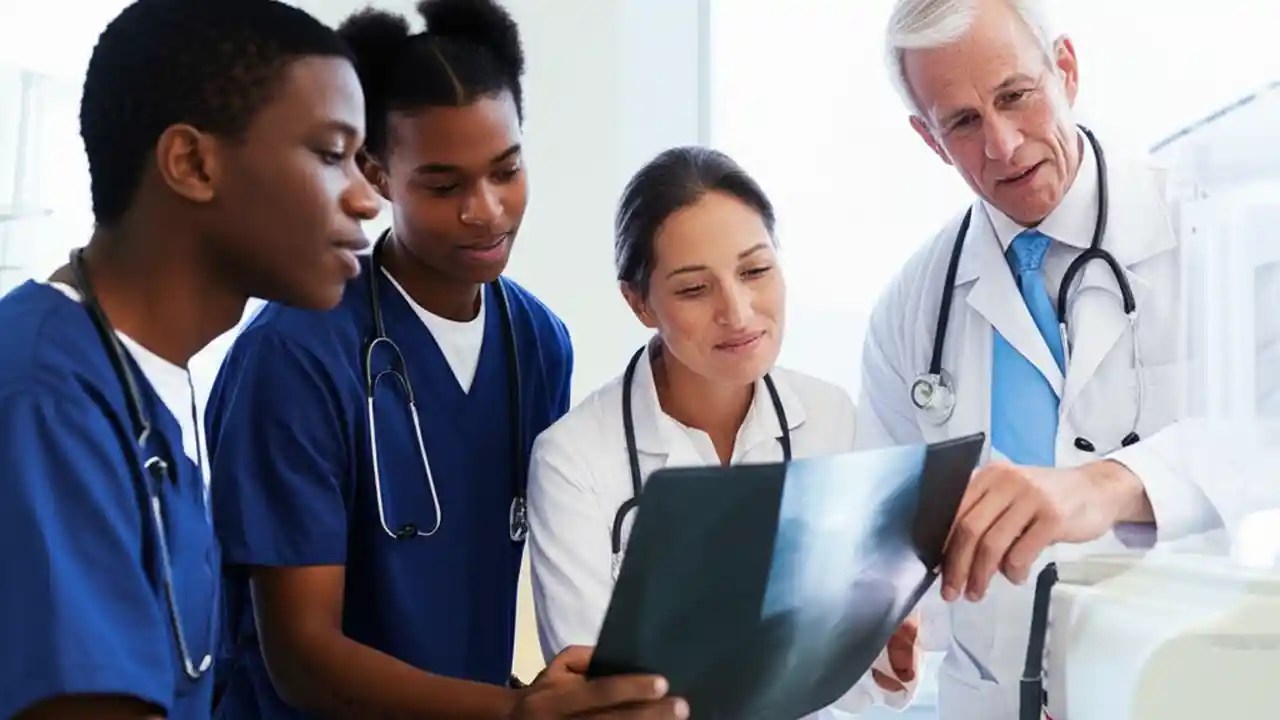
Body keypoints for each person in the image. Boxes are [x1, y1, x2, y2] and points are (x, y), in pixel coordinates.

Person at [204, 1, 686, 718]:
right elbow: (300, 655)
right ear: (374, 171)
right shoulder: (295, 354)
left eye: (506, 170)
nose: (487, 210)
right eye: (444, 184)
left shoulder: (538, 344)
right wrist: (514, 712)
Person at [858, 1, 1280, 718]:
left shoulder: (1218, 226)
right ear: (929, 140)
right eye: (961, 122)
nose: (1003, 143)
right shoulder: (912, 306)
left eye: (1016, 96)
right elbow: (884, 543)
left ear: (1066, 70)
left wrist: (1106, 486)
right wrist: (878, 639)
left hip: (1178, 689)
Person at [0, 0, 383, 718]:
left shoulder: (146, 391)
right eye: (331, 155)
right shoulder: (45, 398)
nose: (367, 198)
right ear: (192, 163)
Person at [527, 146, 921, 719]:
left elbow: (853, 683)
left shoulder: (828, 414)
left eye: (755, 271)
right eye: (693, 289)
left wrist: (887, 657)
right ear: (638, 302)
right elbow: (599, 701)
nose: (737, 312)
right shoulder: (574, 460)